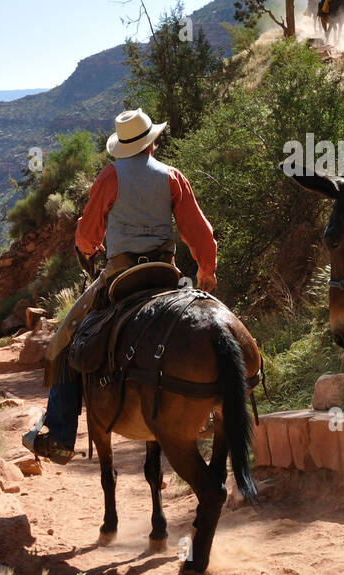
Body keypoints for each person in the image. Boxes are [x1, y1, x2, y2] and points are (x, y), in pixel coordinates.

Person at [22, 108, 218, 464]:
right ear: (152, 144)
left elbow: (86, 235)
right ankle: (213, 408)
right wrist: (207, 270)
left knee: (65, 339)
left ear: (123, 146)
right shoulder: (172, 176)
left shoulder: (110, 176)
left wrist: (87, 250)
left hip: (121, 276)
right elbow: (198, 230)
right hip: (167, 274)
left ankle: (62, 436)